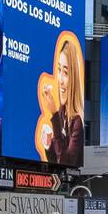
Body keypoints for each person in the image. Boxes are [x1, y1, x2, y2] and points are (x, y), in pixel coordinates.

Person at [44, 37, 85, 166]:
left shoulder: (77, 122)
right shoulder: (62, 114)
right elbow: (56, 163)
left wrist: (54, 115)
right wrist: (48, 146)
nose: (60, 80)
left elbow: (65, 162)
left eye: (66, 73)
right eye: (59, 70)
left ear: (73, 77)